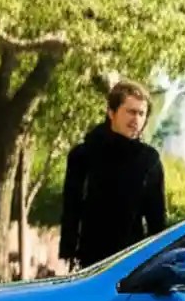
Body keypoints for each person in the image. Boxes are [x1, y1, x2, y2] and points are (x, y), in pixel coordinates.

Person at [59, 80, 167, 269]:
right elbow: (71, 210)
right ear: (111, 112)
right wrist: (68, 253)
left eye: (141, 114)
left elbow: (157, 220)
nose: (136, 120)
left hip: (132, 263)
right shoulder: (83, 155)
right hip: (89, 263)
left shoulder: (149, 160)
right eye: (131, 111)